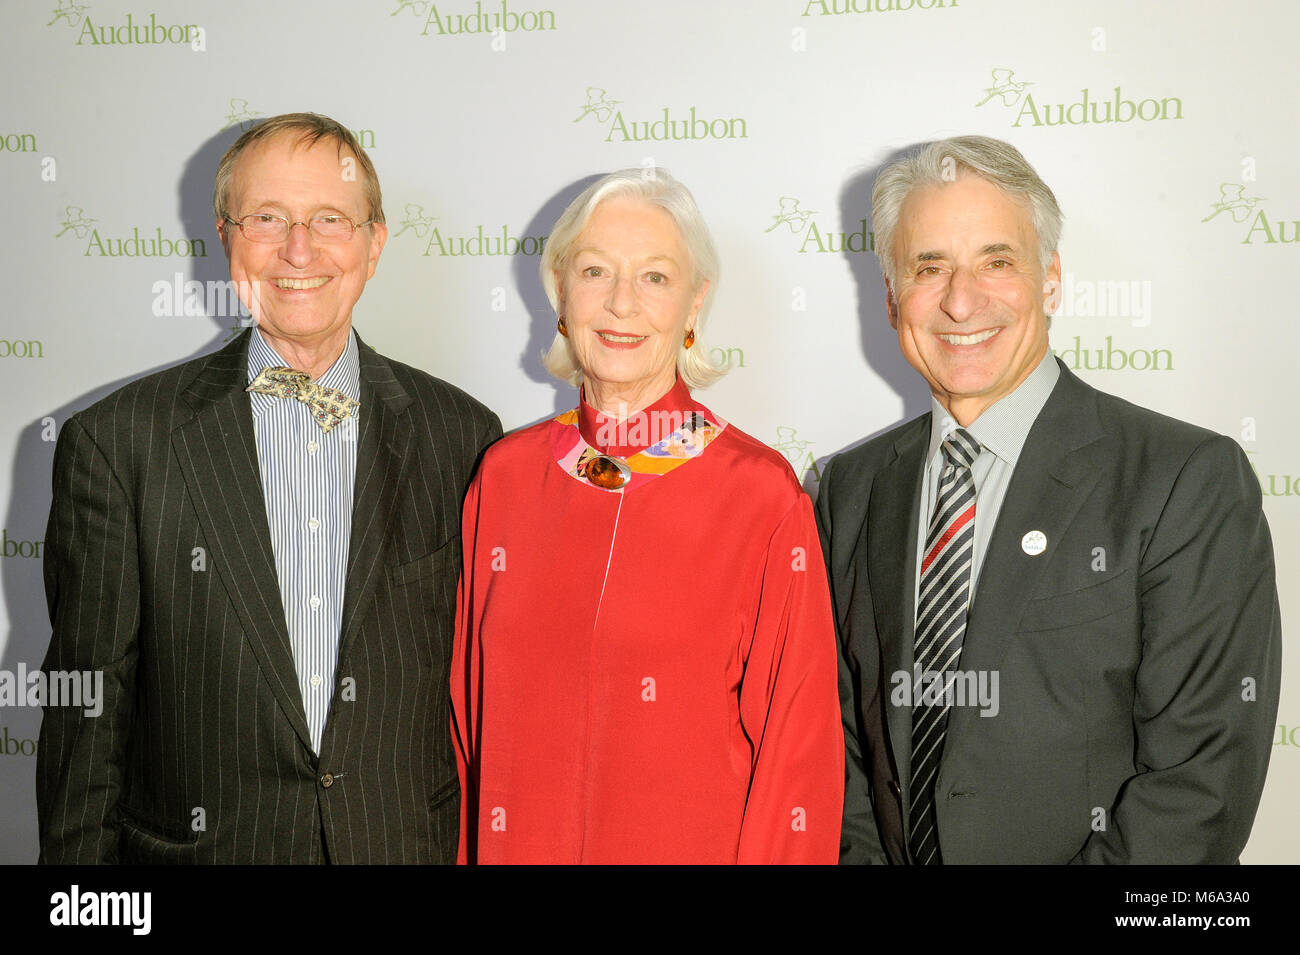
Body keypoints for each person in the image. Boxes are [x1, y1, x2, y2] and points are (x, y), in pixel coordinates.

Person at [37, 112, 501, 863]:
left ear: (374, 243)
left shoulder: (467, 437)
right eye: (267, 218)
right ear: (225, 237)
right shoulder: (119, 443)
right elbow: (86, 722)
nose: (298, 249)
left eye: (329, 218)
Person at [817, 135, 1281, 864]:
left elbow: (1201, 786)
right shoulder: (850, 487)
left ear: (1051, 279)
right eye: (928, 267)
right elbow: (837, 747)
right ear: (890, 298)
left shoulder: (1185, 478)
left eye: (996, 262)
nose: (961, 300)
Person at [451, 169, 843, 864]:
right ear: (561, 294)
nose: (623, 302)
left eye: (655, 277)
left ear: (695, 305)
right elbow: (464, 732)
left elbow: (797, 763)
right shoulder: (503, 482)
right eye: (596, 270)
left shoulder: (763, 497)